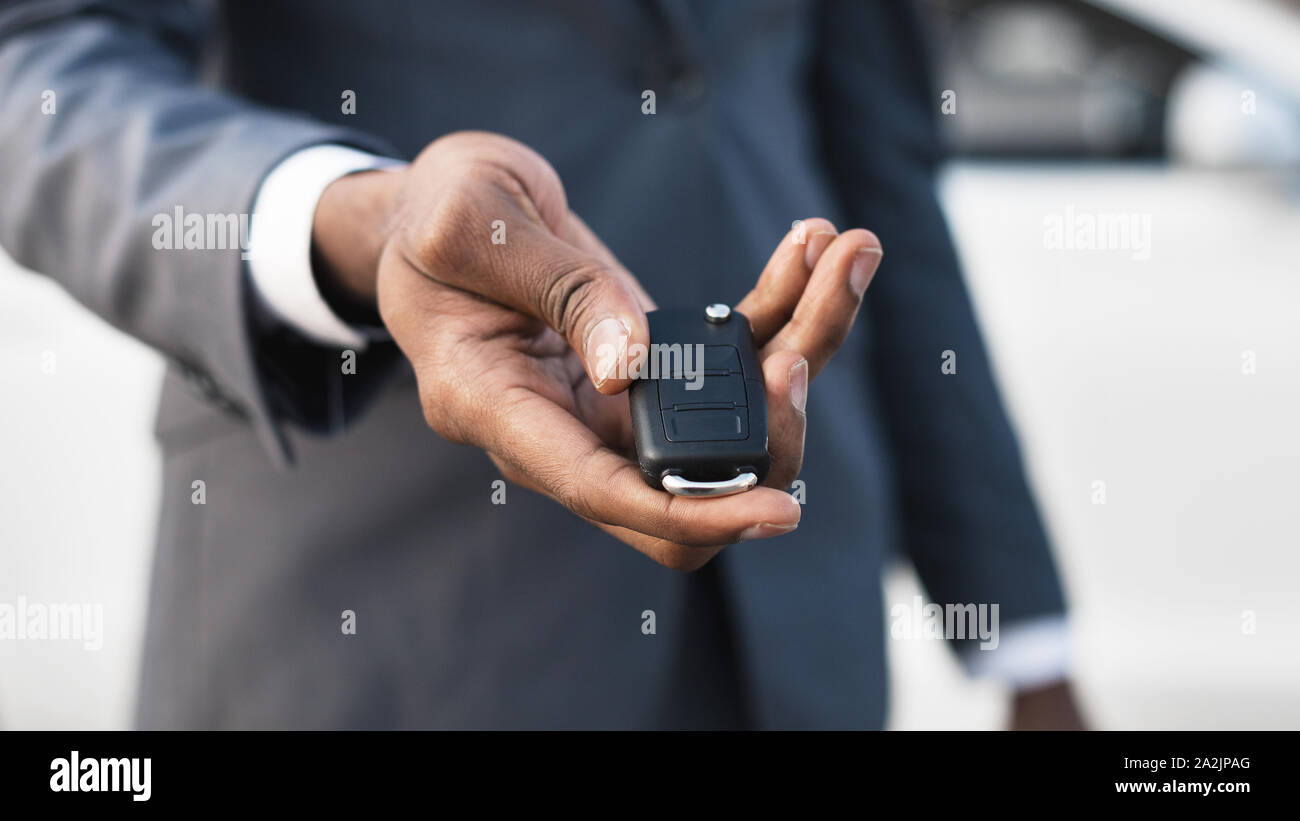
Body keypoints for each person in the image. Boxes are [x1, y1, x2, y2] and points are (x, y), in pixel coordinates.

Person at [0, 0, 1083, 729]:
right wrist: (355, 222)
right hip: (384, 617)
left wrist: (1020, 633)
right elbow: (37, 61)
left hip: (794, 633)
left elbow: (873, 162)